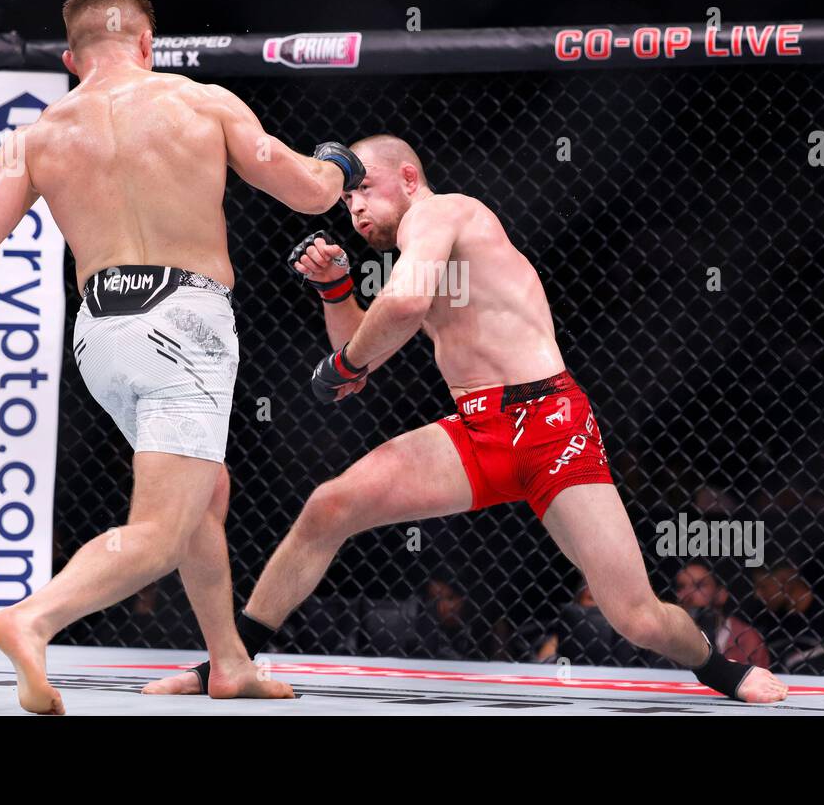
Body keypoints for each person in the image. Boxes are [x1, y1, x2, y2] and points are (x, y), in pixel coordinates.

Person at [147, 134, 788, 703]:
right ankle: (229, 664)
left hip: (551, 424)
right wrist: (337, 291)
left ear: (407, 178)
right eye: (345, 201)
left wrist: (342, 362)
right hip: (477, 429)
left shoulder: (445, 211)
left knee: (638, 617)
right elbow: (361, 361)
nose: (355, 208)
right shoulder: (415, 256)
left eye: (361, 188)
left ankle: (720, 671)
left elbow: (391, 317)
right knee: (329, 506)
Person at [0, 0, 365, 713]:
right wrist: (341, 163)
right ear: (149, 42)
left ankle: (228, 663)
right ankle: (32, 620)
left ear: (72, 57)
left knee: (202, 493)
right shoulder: (199, 101)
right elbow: (310, 192)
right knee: (160, 531)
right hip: (183, 323)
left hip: (99, 335)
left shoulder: (38, 134)